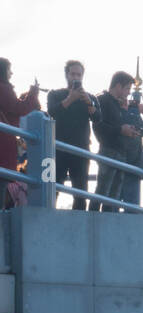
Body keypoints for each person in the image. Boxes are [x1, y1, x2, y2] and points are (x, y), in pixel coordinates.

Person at [46, 60, 98, 210]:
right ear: (66, 75)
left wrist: (89, 103)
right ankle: (49, 220)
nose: (75, 77)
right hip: (57, 149)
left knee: (81, 192)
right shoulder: (55, 94)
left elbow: (98, 118)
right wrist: (70, 99)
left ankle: (80, 225)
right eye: (73, 74)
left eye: (79, 74)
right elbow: (52, 112)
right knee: (52, 188)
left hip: (81, 150)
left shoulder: (90, 98)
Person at [89, 71, 137, 212]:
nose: (128, 93)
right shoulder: (102, 100)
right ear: (118, 86)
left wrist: (128, 130)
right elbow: (98, 126)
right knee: (103, 191)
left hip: (119, 152)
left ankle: (106, 222)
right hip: (108, 151)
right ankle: (93, 218)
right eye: (127, 88)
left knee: (113, 196)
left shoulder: (117, 104)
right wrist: (120, 130)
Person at [0, 59, 39, 201]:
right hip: (3, 144)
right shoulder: (3, 88)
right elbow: (20, 109)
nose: (11, 73)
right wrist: (33, 93)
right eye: (9, 69)